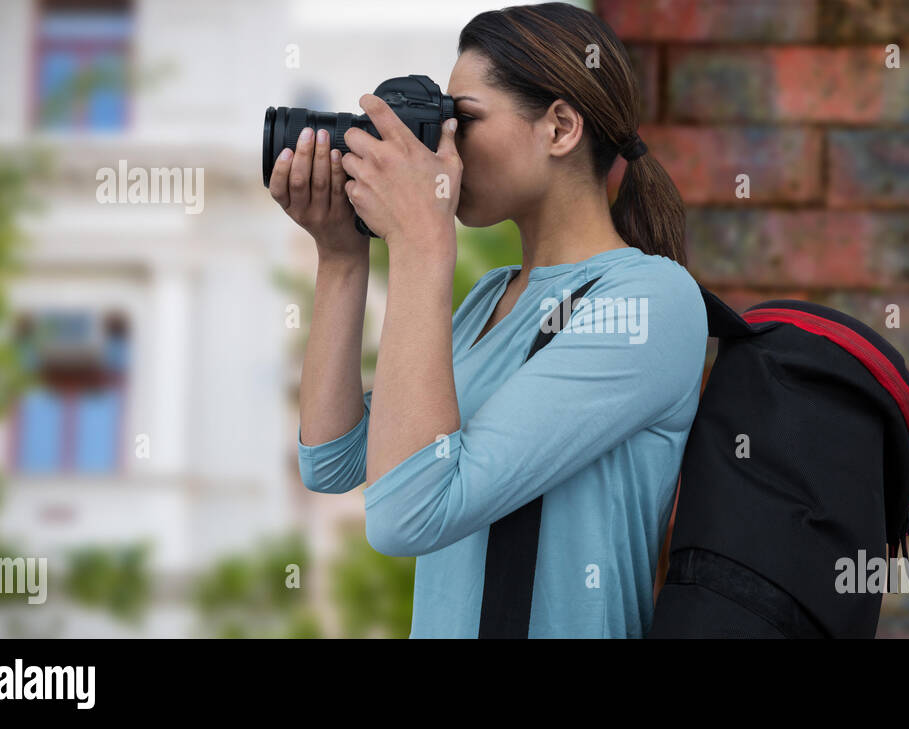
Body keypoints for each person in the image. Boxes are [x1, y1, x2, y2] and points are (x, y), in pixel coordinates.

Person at [267, 2, 707, 638]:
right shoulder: (491, 300)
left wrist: (421, 242)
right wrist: (341, 256)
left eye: (463, 119)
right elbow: (334, 459)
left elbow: (406, 515)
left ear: (559, 128)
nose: (444, 146)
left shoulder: (647, 302)